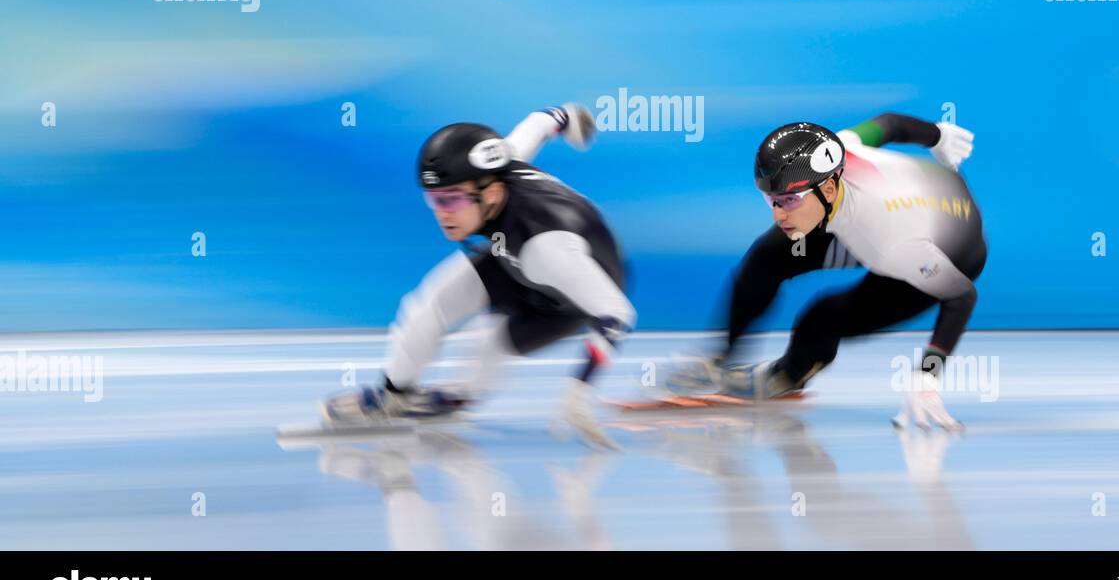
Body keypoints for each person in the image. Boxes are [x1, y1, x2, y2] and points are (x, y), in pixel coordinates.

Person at [324, 104, 633, 446]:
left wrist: (579, 390)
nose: (442, 214)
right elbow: (540, 122)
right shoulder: (501, 162)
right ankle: (393, 395)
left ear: (493, 194)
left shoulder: (547, 251)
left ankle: (459, 397)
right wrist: (571, 116)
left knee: (488, 343)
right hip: (514, 248)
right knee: (430, 304)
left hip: (570, 295)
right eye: (434, 200)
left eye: (452, 200)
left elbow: (617, 313)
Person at [669, 114, 986, 431]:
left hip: (948, 250)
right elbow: (890, 124)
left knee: (822, 318)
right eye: (771, 200)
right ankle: (721, 358)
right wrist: (938, 136)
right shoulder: (838, 149)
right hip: (908, 204)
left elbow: (962, 297)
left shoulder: (890, 242)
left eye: (789, 201)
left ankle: (786, 376)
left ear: (830, 188)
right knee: (768, 255)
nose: (778, 214)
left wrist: (927, 375)